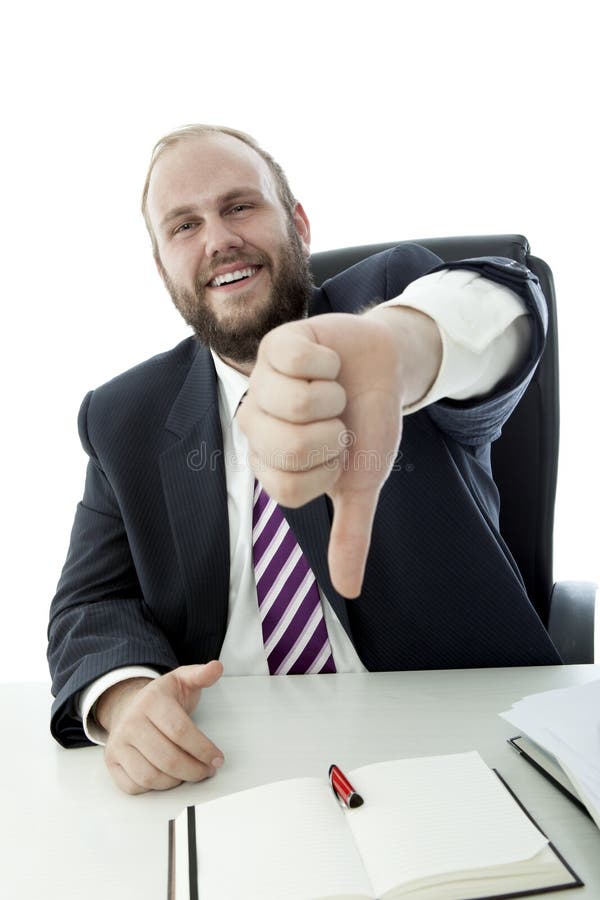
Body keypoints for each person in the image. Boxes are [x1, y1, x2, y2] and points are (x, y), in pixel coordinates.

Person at [48, 124, 561, 794]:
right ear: (162, 266)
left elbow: (505, 305)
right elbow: (91, 603)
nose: (218, 239)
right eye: (184, 225)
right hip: (226, 764)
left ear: (298, 224)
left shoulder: (392, 294)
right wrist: (126, 698)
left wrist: (402, 349)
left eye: (239, 206)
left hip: (450, 749)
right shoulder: (123, 414)